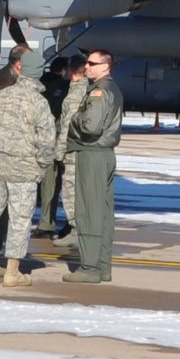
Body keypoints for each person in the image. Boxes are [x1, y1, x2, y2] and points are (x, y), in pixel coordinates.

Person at [0, 47, 56, 289]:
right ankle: (12, 271)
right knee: (20, 220)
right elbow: (47, 140)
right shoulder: (39, 103)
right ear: (38, 73)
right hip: (24, 171)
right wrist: (42, 163)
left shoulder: (1, 96)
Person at [62, 49, 122, 285]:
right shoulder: (111, 89)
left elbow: (90, 126)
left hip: (92, 153)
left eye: (91, 63)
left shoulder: (98, 91)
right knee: (103, 212)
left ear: (105, 66)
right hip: (104, 153)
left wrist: (74, 119)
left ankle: (90, 266)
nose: (86, 67)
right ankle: (103, 265)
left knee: (89, 211)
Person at [52, 54, 89, 246]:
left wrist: (59, 153)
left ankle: (76, 231)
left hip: (72, 152)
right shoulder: (89, 90)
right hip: (84, 151)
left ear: (71, 71)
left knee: (70, 192)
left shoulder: (75, 94)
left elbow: (67, 126)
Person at [34, 55, 71, 236]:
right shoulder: (64, 88)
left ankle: (45, 221)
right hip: (55, 137)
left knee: (46, 183)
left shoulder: (39, 85)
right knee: (55, 183)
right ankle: (50, 223)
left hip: (38, 138)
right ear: (63, 70)